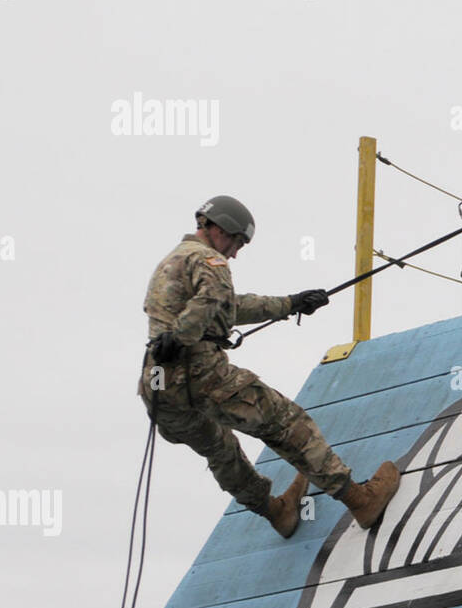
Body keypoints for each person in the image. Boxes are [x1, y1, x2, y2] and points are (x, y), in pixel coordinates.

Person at [139, 196, 400, 538]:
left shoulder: (172, 261)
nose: (234, 253)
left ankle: (276, 512)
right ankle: (360, 500)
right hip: (201, 374)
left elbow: (230, 306)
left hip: (160, 388)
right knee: (285, 423)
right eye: (236, 242)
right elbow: (211, 301)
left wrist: (291, 304)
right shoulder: (207, 258)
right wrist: (183, 335)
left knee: (220, 449)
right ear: (217, 229)